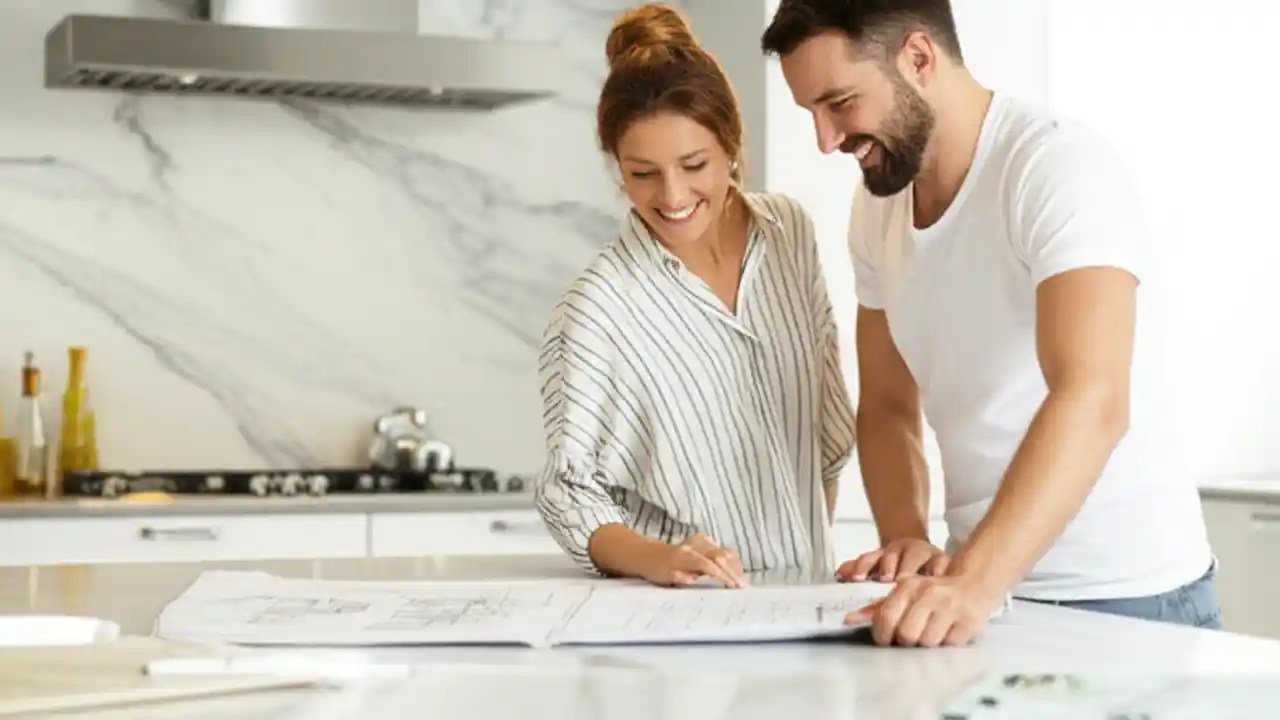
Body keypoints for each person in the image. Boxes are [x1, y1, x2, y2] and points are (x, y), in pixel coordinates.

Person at [761, 0, 1218, 645]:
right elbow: (889, 404)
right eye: (811, 113)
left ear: (918, 58)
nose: (827, 139)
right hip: (981, 590)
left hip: (1125, 597)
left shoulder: (1055, 167)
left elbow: (1093, 396)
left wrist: (975, 581)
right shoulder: (877, 208)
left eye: (839, 103)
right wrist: (905, 539)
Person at [535, 3, 857, 589]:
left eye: (693, 164)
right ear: (617, 169)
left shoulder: (790, 233)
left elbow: (827, 430)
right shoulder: (599, 306)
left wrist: (804, 578)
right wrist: (660, 559)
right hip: (677, 614)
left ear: (731, 145)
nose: (673, 195)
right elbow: (568, 494)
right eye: (643, 174)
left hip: (802, 602)